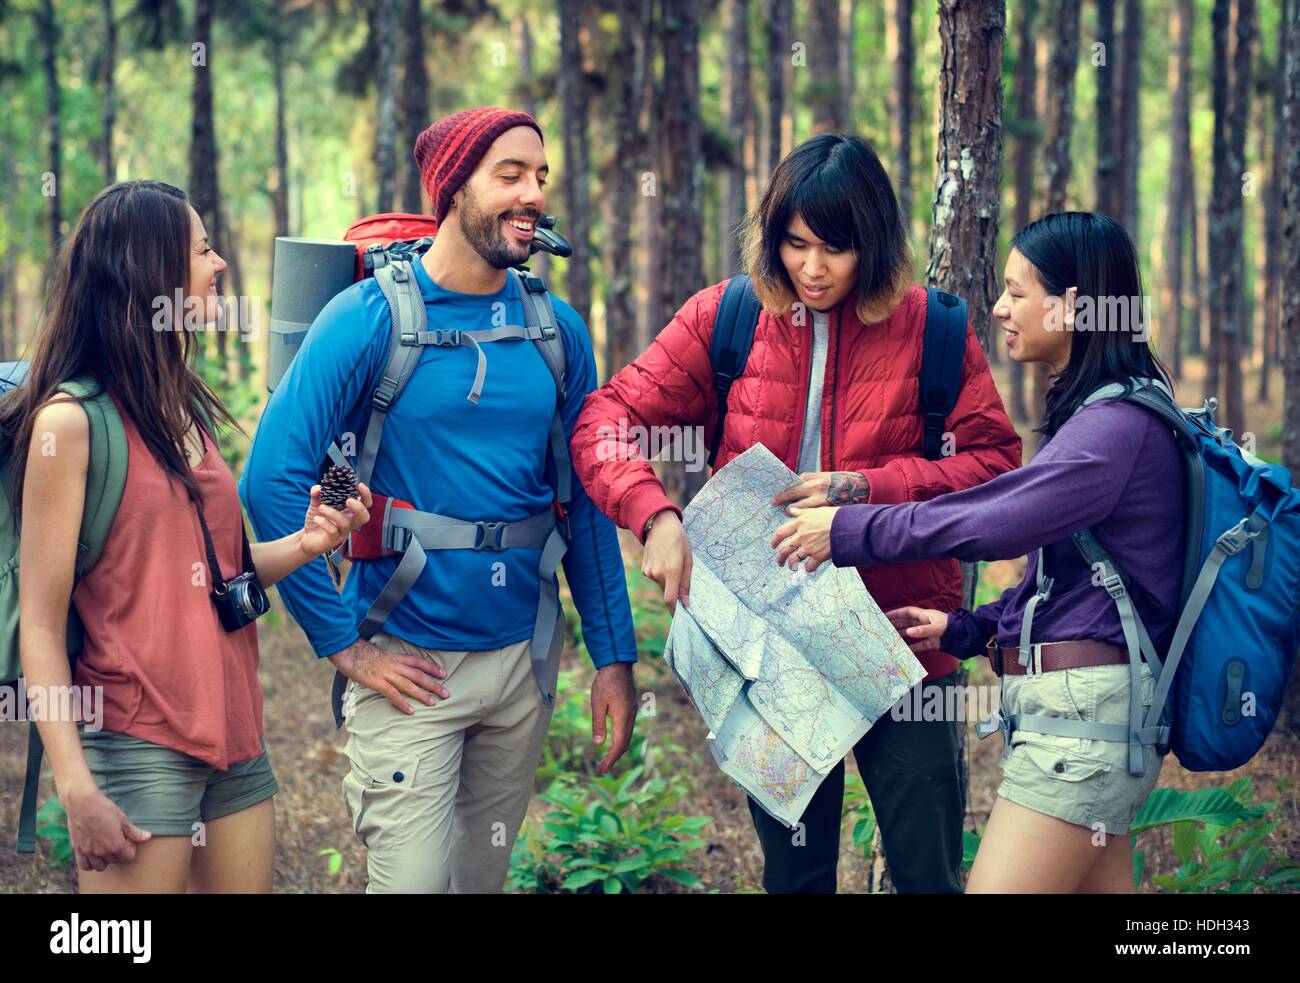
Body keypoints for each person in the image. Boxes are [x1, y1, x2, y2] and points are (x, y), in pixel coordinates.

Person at [571, 133, 1022, 893]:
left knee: (927, 874)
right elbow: (603, 419)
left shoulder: (933, 328)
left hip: (905, 644)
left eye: (835, 249)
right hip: (771, 652)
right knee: (796, 875)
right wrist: (654, 514)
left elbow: (996, 472)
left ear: (872, 245)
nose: (811, 269)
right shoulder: (730, 317)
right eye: (795, 244)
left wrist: (859, 489)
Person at [239, 108, 639, 894]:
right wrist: (344, 644)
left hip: (521, 668)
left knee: (478, 881)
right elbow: (269, 477)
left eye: (541, 176)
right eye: (510, 174)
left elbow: (583, 502)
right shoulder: (367, 319)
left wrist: (615, 657)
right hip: (408, 663)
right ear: (454, 188)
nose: (533, 194)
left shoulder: (555, 330)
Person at [775, 211, 1181, 893]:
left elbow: (990, 520)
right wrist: (971, 628)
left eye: (1019, 292)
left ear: (1073, 305)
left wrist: (847, 529)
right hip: (1091, 722)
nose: (999, 307)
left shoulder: (1115, 429)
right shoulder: (1111, 413)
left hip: (1083, 735)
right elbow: (1076, 584)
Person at [5, 180, 370, 893]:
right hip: (137, 741)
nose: (219, 264)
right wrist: (76, 785)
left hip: (234, 736)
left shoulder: (181, 406)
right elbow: (42, 629)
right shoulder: (71, 424)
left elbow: (218, 575)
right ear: (149, 271)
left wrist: (308, 541)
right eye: (203, 249)